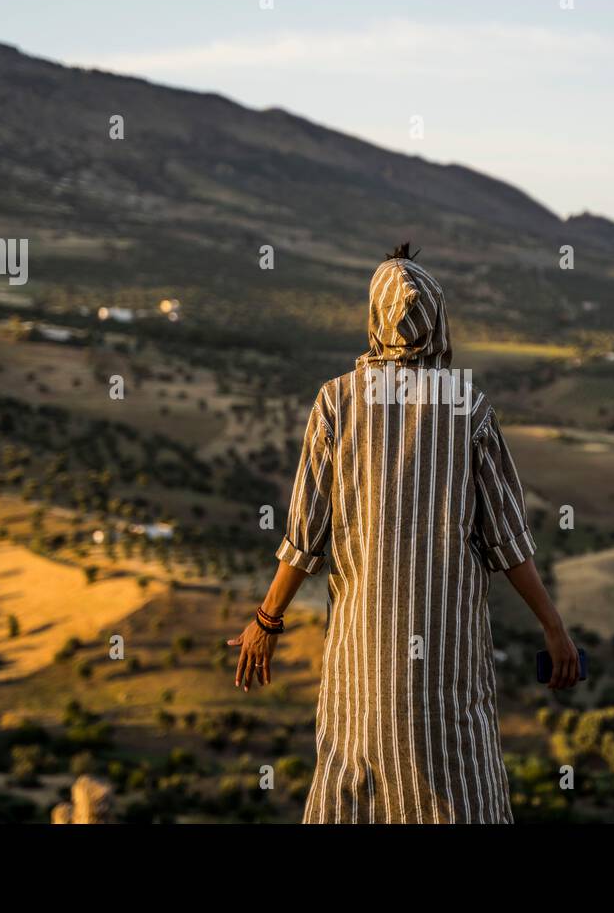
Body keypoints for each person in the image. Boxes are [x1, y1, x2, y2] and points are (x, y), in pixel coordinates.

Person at [228, 244, 580, 824]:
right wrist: (553, 627)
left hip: (363, 661)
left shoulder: (336, 403)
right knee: (459, 784)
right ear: (437, 319)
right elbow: (509, 544)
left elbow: (304, 537)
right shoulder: (468, 407)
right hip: (448, 657)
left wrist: (267, 620)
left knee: (354, 781)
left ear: (375, 318)